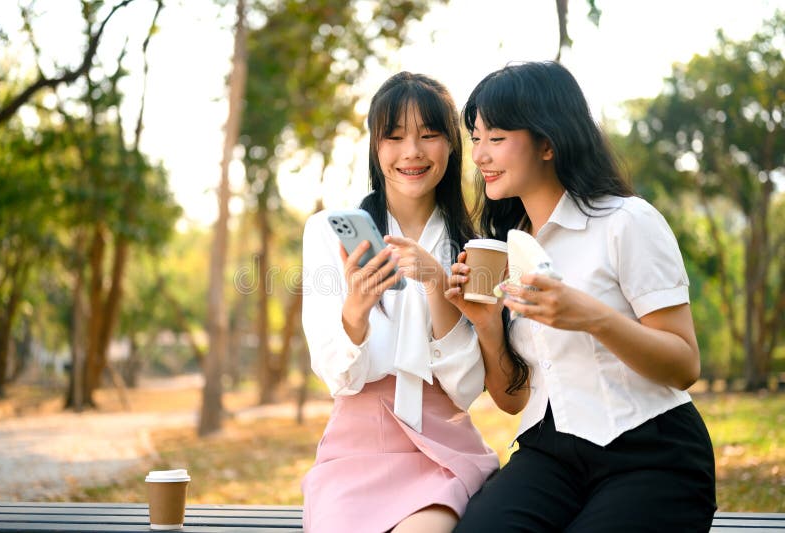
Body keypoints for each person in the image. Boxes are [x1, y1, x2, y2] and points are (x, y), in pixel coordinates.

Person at [445, 62, 717, 532]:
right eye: (476, 138)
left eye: (497, 138)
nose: (481, 155)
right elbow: (514, 400)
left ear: (548, 143)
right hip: (550, 455)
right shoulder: (509, 247)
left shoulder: (626, 221)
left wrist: (592, 317)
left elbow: (684, 365)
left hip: (651, 453)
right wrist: (487, 323)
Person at [301, 72, 499, 533]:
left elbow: (466, 387)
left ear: (451, 145)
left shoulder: (476, 249)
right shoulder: (328, 232)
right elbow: (336, 377)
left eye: (428, 135)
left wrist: (435, 282)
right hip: (354, 451)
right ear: (375, 146)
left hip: (443, 450)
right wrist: (355, 311)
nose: (411, 152)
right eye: (393, 137)